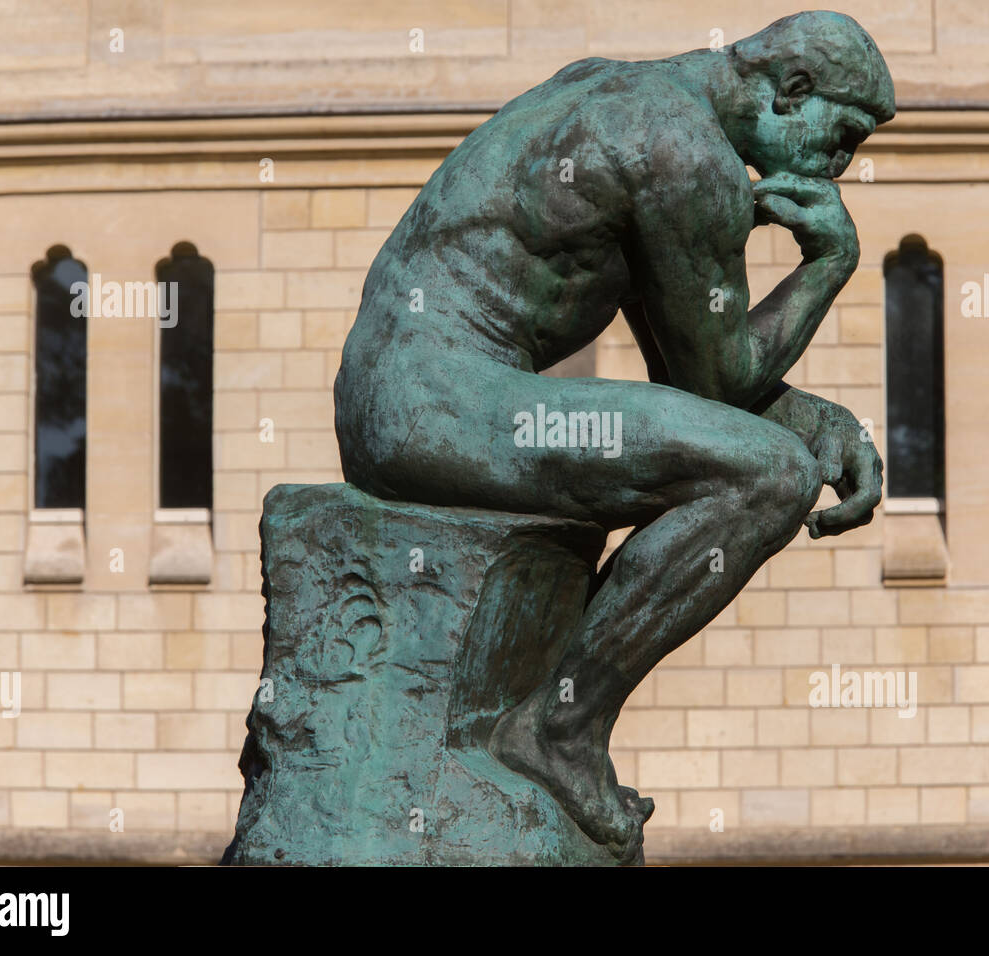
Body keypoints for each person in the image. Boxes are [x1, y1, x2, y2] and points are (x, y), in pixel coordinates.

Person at [334, 10, 895, 862]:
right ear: (793, 91)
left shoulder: (619, 90)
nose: (840, 167)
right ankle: (559, 729)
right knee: (769, 480)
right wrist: (827, 264)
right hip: (435, 399)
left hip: (400, 389)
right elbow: (721, 381)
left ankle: (545, 719)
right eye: (844, 137)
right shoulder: (687, 152)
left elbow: (693, 372)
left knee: (762, 456)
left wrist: (821, 417)